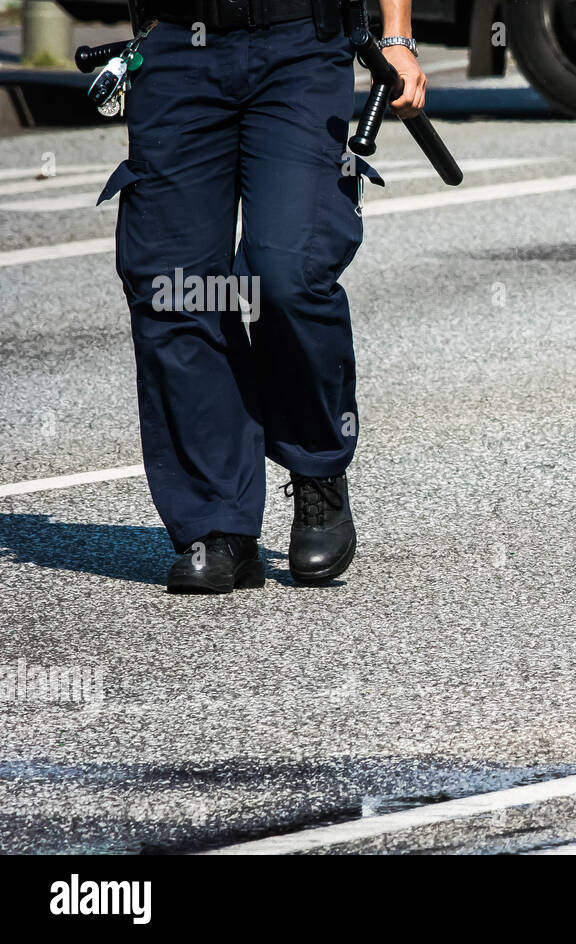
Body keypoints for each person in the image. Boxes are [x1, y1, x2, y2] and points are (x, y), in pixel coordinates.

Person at [97, 0, 426, 592]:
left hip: (299, 40)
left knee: (286, 274)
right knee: (177, 289)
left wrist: (397, 36)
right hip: (174, 46)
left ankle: (317, 468)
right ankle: (216, 522)